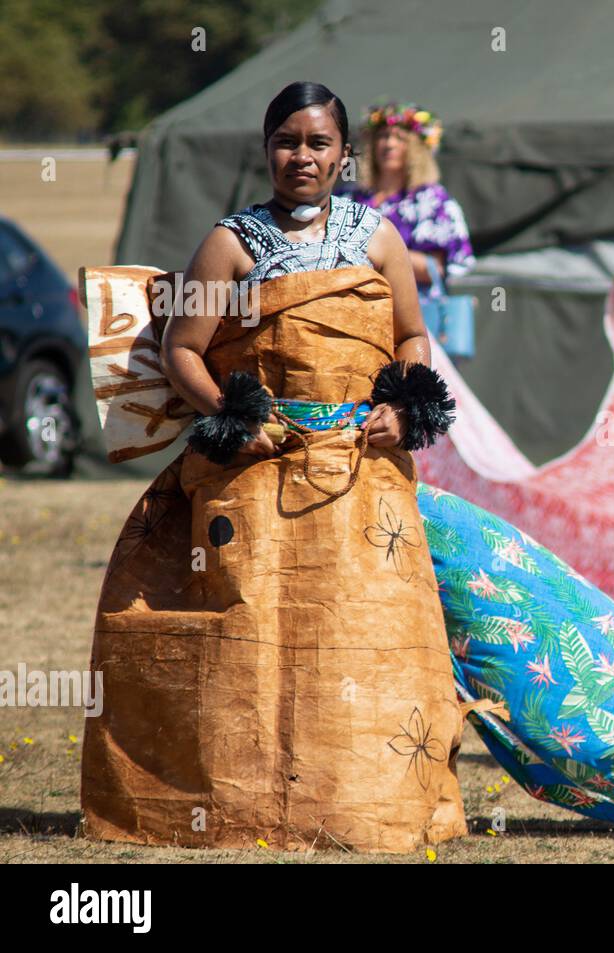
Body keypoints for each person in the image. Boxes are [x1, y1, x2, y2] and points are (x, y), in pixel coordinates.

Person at [80, 82, 480, 853]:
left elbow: (410, 336)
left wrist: (403, 405)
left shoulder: (379, 238)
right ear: (267, 151)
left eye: (319, 142)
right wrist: (232, 420)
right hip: (255, 474)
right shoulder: (230, 243)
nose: (303, 155)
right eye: (288, 141)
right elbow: (183, 349)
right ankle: (234, 806)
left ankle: (369, 804)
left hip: (361, 474)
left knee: (370, 635)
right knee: (250, 639)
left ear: (343, 155)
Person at [348, 101, 476, 358]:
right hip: (356, 317)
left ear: (416, 148)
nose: (389, 144)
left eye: (399, 137)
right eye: (383, 136)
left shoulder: (432, 200)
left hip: (412, 320)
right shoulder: (350, 199)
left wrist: (374, 254)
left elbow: (435, 267)